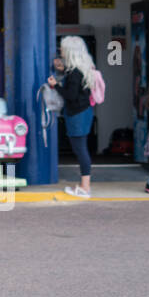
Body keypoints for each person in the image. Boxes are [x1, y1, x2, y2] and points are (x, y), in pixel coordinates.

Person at [49, 35, 98, 199]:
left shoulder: (74, 73)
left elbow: (70, 95)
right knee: (81, 148)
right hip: (84, 113)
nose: (60, 51)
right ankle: (85, 185)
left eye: (62, 48)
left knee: (80, 149)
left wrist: (55, 85)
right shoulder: (83, 69)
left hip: (77, 114)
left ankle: (85, 187)